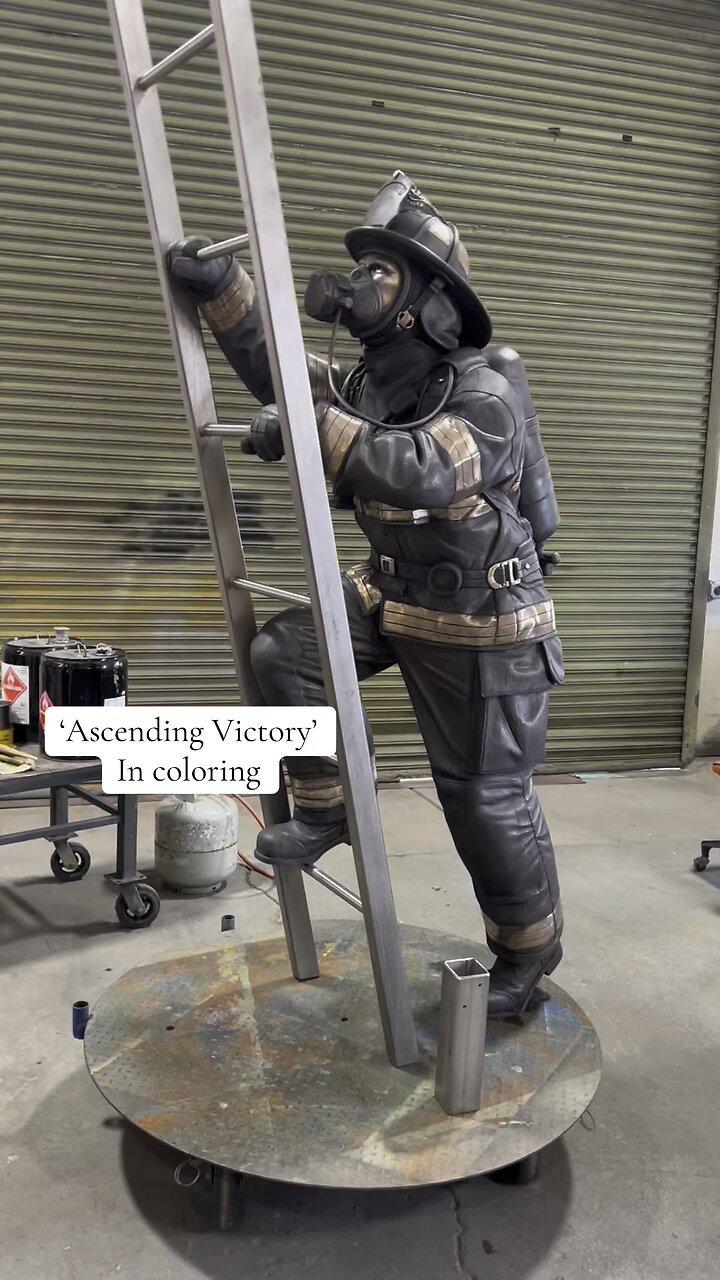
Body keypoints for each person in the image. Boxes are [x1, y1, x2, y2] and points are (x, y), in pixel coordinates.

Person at [168, 171, 565, 1018]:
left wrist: (307, 425)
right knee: (287, 654)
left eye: (384, 274)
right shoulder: (373, 386)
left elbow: (416, 463)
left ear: (433, 301)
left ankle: (528, 955)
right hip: (395, 595)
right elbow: (283, 374)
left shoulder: (489, 385)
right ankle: (327, 809)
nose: (357, 287)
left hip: (486, 621)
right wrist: (226, 291)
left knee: (483, 802)